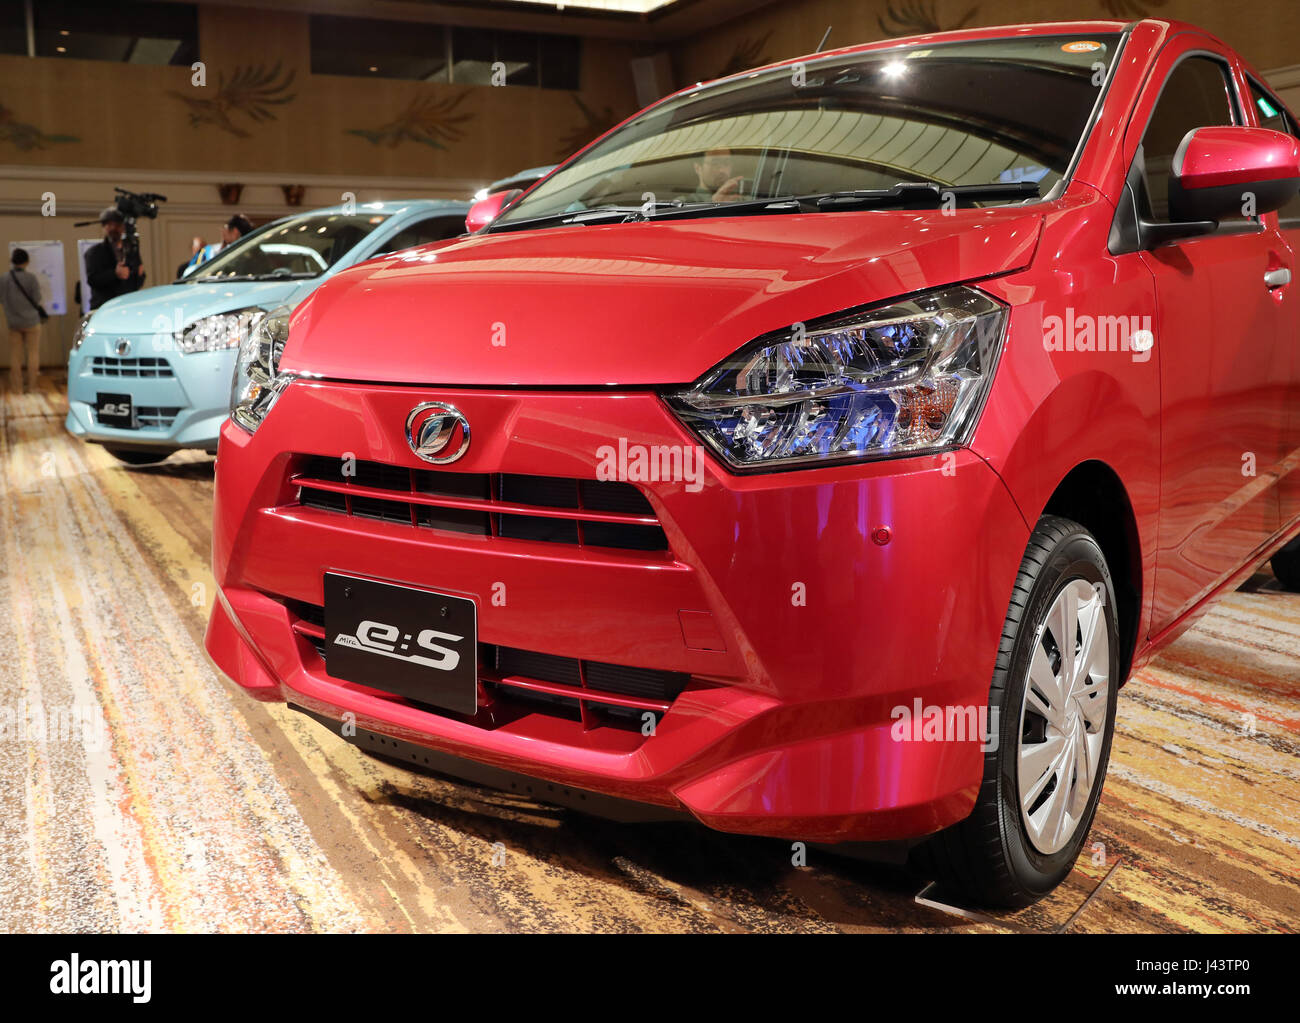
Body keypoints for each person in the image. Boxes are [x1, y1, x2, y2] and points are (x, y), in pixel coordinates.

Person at [1, 247, 44, 393]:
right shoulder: (31, 278)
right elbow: (37, 299)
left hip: (13, 322)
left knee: (15, 356)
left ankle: (17, 388)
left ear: (12, 261)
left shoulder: (4, 278)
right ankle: (32, 387)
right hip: (31, 321)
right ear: (26, 261)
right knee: (33, 354)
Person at [85, 207, 145, 310]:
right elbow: (92, 279)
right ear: (104, 227)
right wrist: (115, 274)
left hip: (127, 305)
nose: (113, 228)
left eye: (117, 224)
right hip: (104, 307)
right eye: (109, 225)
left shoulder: (131, 250)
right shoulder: (94, 252)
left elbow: (136, 281)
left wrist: (140, 275)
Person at [185, 214, 252, 274]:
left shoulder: (210, 252)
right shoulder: (255, 250)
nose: (222, 232)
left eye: (225, 228)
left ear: (235, 232)